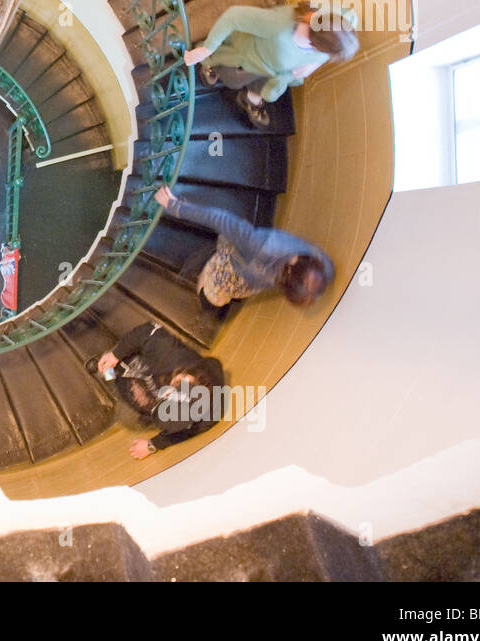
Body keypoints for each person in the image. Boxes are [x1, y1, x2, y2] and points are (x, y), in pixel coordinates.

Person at [154, 185, 334, 311]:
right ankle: (211, 269)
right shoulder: (262, 247)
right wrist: (175, 207)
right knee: (212, 300)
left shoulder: (310, 260)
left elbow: (221, 219)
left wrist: (175, 206)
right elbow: (218, 219)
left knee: (209, 300)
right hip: (248, 271)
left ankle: (208, 268)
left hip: (240, 269)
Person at [183, 0, 358, 126]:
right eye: (326, 53)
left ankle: (249, 99)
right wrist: (207, 49)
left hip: (272, 69)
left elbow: (351, 17)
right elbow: (234, 16)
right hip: (248, 54)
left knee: (259, 83)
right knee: (232, 78)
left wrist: (315, 64)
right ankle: (211, 62)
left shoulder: (341, 21)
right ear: (317, 45)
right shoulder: (279, 27)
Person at [92, 321, 226, 460]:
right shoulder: (168, 353)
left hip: (145, 390)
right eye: (168, 395)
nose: (165, 394)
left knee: (126, 417)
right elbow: (146, 331)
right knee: (111, 362)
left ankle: (111, 377)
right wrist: (116, 355)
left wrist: (153, 445)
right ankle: (106, 361)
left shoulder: (211, 415)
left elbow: (185, 432)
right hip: (143, 364)